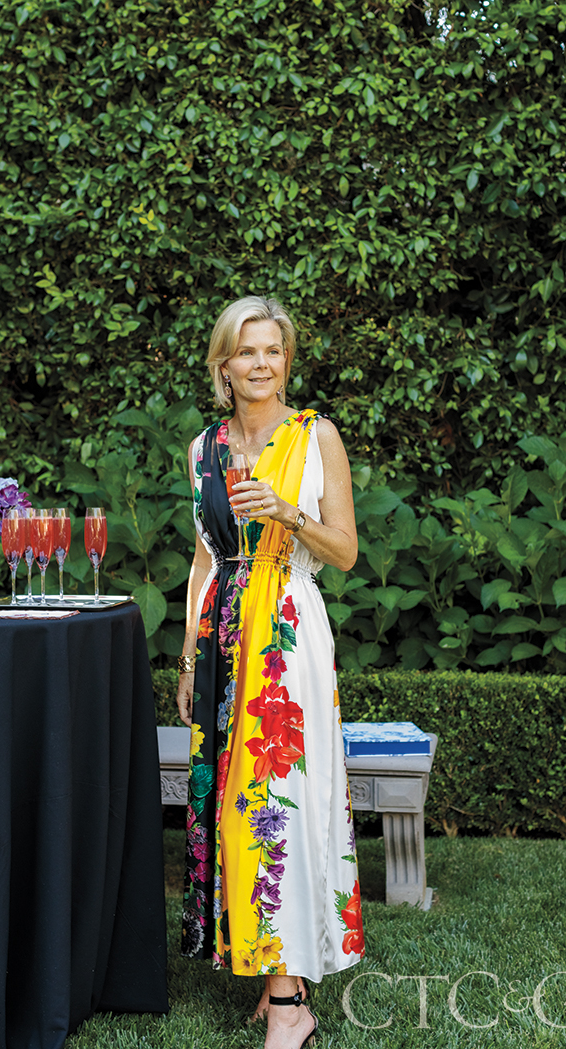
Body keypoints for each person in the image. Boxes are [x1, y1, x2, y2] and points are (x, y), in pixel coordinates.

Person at [177, 296, 365, 1049]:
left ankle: (291, 1002)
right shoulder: (205, 449)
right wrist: (190, 654)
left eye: (273, 350)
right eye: (246, 351)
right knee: (234, 804)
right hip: (223, 633)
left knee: (280, 800)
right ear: (224, 365)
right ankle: (271, 969)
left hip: (286, 637)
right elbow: (202, 559)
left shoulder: (316, 436)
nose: (261, 363)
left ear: (287, 359)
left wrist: (288, 511)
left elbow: (347, 552)